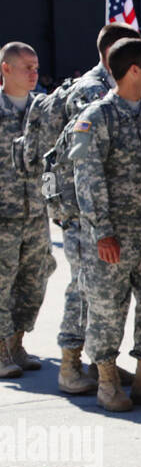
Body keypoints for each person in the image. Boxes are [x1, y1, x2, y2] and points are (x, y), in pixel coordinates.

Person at [68, 38, 141, 410]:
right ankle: (107, 381)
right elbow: (87, 177)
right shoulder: (96, 117)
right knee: (108, 307)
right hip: (115, 233)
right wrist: (103, 232)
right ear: (133, 70)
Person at [54, 22, 140, 394]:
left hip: (112, 207)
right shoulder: (91, 90)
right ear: (111, 53)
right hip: (82, 209)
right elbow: (90, 157)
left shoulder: (117, 86)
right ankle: (70, 363)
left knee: (109, 292)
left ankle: (103, 363)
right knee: (84, 286)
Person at [0, 42, 56, 377]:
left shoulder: (43, 110)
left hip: (36, 214)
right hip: (2, 214)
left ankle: (17, 343)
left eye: (36, 67)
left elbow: (52, 163)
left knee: (33, 281)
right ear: (5, 68)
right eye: (27, 67)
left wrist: (53, 202)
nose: (34, 74)